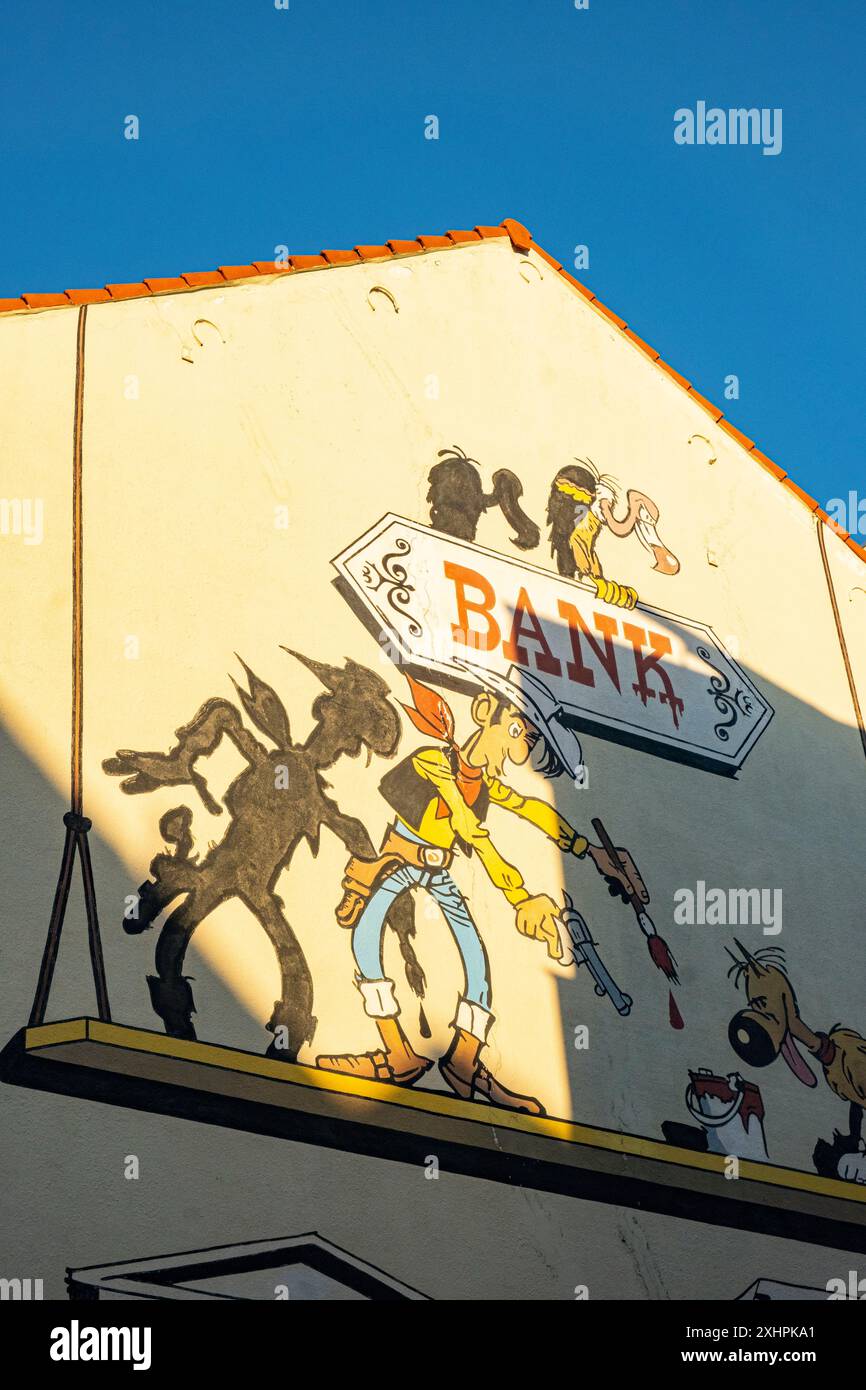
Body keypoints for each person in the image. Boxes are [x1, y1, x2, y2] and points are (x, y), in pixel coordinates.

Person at [316, 671, 641, 1115]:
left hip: (439, 872)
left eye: (526, 739)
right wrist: (520, 895)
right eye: (515, 730)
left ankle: (465, 1062)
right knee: (365, 941)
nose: (519, 747)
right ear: (485, 711)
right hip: (399, 862)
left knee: (476, 960)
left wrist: (589, 852)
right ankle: (397, 1054)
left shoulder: (484, 784)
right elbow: (471, 829)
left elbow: (531, 809)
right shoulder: (435, 761)